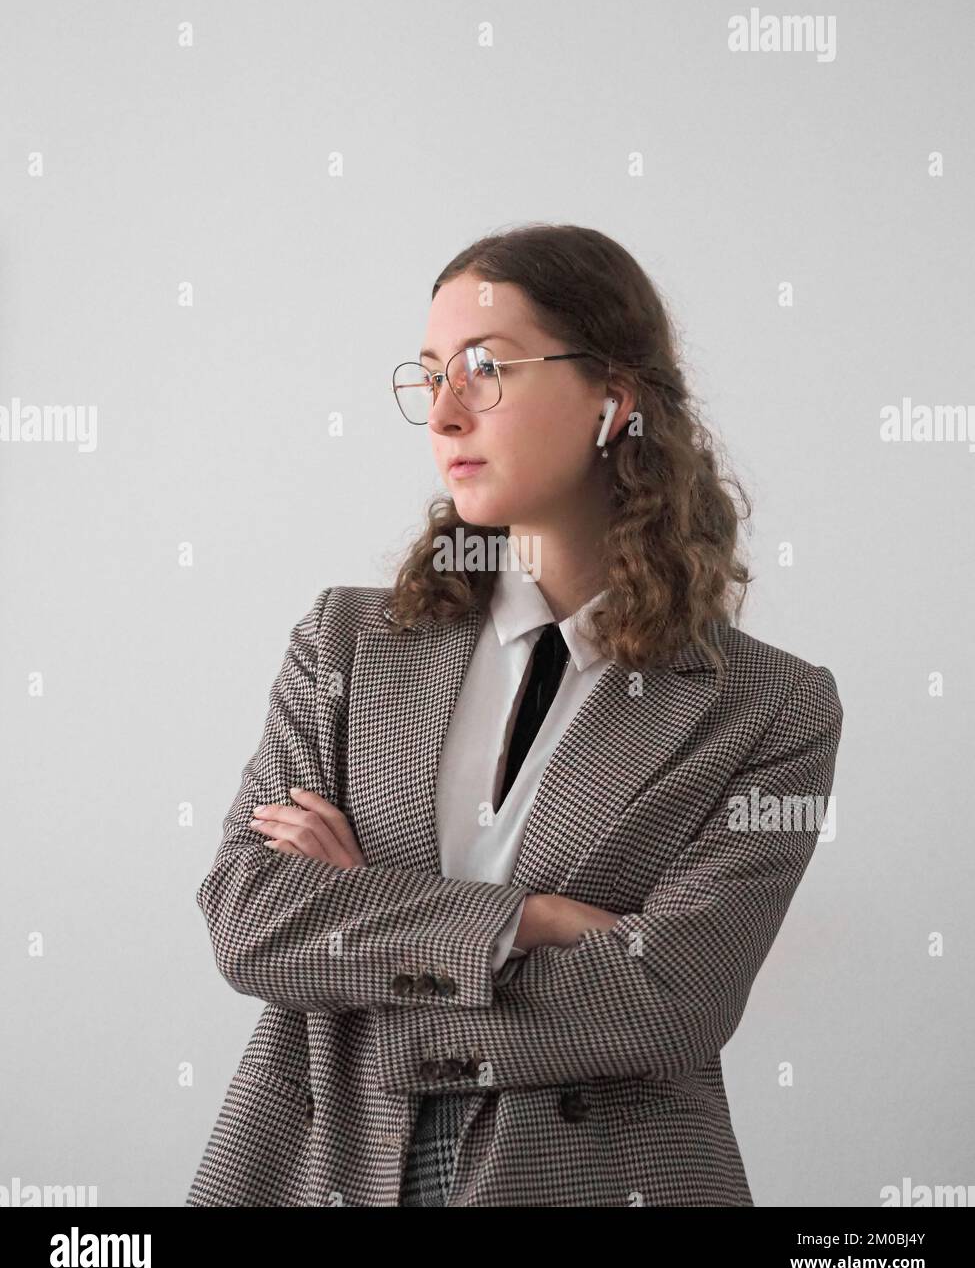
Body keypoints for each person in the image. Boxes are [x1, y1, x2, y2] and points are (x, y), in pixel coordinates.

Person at [186, 222, 843, 1208]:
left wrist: (364, 921)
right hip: (321, 1165)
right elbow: (248, 919)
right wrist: (530, 921)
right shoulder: (349, 643)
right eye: (429, 375)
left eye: (486, 368)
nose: (445, 414)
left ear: (614, 396)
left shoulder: (768, 707)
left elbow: (667, 1004)